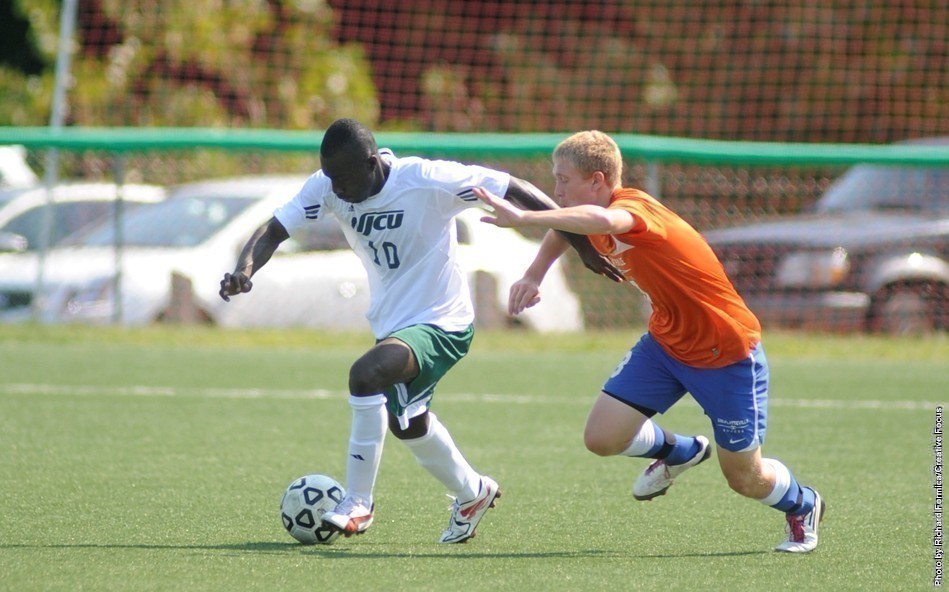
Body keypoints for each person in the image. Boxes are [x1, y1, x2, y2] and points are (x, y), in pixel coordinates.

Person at [218, 119, 620, 543]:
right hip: (393, 323)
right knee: (407, 423)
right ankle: (472, 491)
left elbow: (512, 187)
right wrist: (245, 270)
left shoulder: (426, 179)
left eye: (344, 179)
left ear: (372, 163)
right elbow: (274, 228)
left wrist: (580, 242)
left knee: (366, 374)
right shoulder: (328, 184)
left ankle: (358, 502)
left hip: (442, 321)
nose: (335, 189)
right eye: (331, 178)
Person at [474, 130, 824, 553]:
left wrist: (526, 218)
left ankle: (803, 504)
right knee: (601, 438)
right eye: (555, 178)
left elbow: (601, 223)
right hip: (665, 346)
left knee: (745, 479)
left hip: (726, 353)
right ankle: (680, 451)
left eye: (564, 179)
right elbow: (570, 229)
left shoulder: (631, 211)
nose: (556, 189)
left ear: (598, 181)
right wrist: (533, 274)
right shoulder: (586, 210)